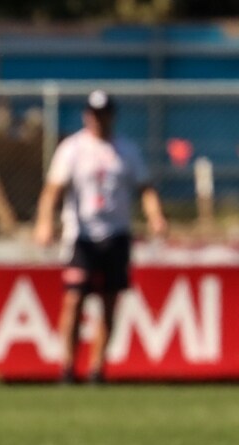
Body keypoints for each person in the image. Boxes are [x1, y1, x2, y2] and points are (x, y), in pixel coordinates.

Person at [34, 90, 168, 384]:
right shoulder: (72, 149)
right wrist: (45, 222)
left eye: (103, 114)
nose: (98, 120)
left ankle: (97, 368)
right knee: (74, 301)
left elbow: (145, 187)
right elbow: (52, 190)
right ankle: (67, 367)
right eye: (94, 114)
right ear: (87, 116)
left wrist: (155, 217)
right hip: (80, 236)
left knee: (108, 305)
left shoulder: (127, 151)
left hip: (116, 236)